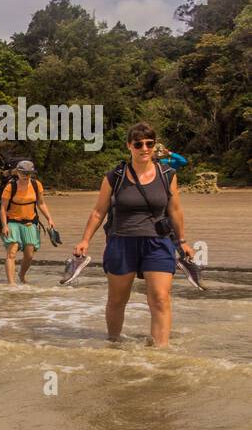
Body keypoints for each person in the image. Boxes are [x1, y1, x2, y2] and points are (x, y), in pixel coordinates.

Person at [71, 122, 195, 347]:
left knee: (160, 298)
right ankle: (114, 344)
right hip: (122, 241)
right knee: (117, 300)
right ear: (129, 146)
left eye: (149, 143)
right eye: (139, 144)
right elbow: (99, 211)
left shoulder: (168, 174)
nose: (144, 148)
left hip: (158, 242)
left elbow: (175, 209)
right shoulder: (114, 176)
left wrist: (183, 241)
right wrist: (85, 239)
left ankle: (161, 352)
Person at [0, 160, 55, 286]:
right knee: (12, 252)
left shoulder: (36, 185)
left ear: (32, 174)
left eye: (28, 173)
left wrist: (49, 218)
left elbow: (41, 203)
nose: (25, 175)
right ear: (17, 172)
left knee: (29, 254)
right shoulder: (10, 187)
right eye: (23, 173)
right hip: (12, 222)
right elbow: (3, 208)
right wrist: (5, 225)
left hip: (30, 222)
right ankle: (11, 284)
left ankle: (21, 275)